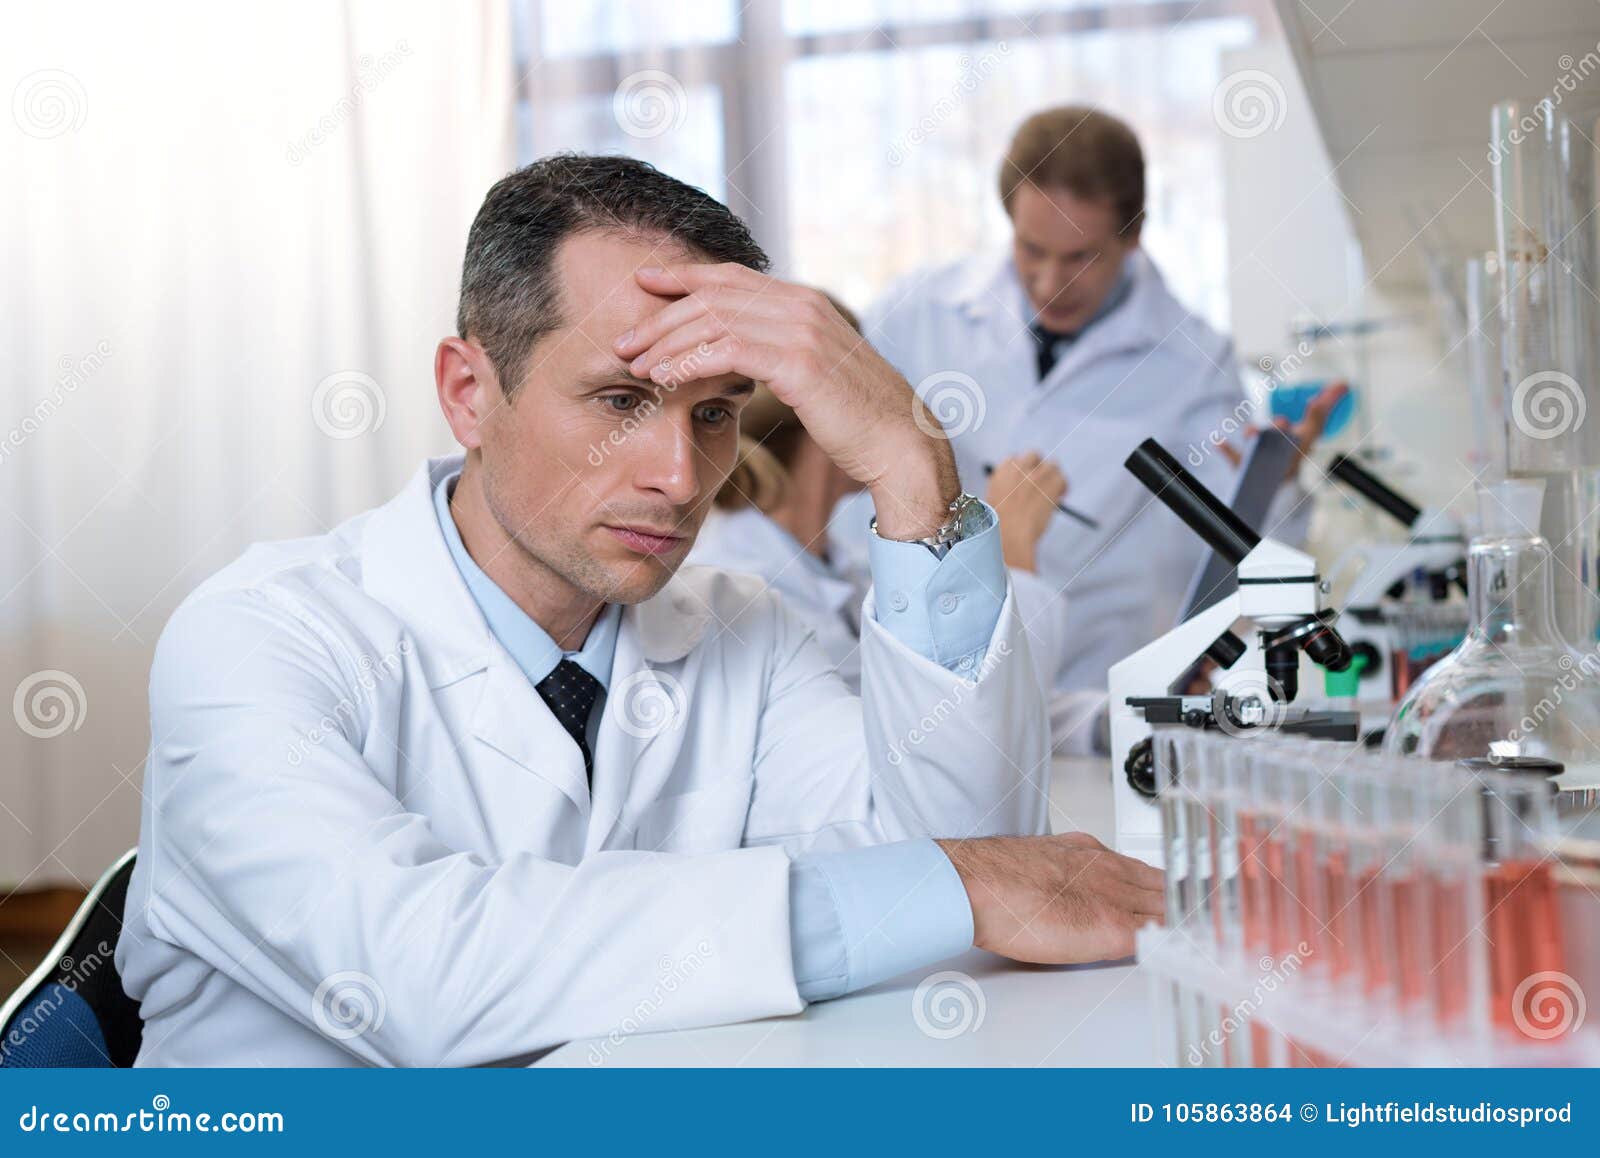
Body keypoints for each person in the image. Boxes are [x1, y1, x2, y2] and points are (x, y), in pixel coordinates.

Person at [114, 154, 1163, 1066]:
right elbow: (417, 980)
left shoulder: (742, 626)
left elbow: (976, 876)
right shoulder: (257, 635)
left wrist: (909, 464)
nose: (679, 473)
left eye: (714, 412)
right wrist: (947, 892)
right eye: (621, 401)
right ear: (469, 393)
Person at [856, 106, 1346, 731]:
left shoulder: (1193, 360)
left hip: (1100, 703)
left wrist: (1276, 479)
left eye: (1081, 258)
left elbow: (1244, 548)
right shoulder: (918, 312)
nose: (1050, 282)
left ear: (1133, 235)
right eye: (1032, 249)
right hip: (930, 697)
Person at [688, 294, 1073, 694]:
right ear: (817, 405)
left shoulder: (839, 569)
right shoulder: (740, 585)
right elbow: (959, 722)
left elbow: (943, 688)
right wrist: (1012, 550)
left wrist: (1102, 722)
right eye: (868, 381)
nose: (884, 403)